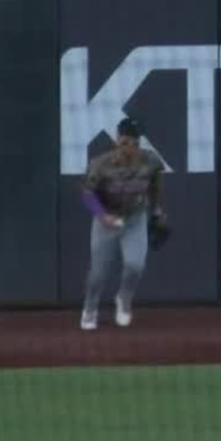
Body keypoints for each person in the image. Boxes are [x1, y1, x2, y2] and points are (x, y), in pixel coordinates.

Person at [78, 118, 166, 330]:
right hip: (106, 220)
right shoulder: (100, 164)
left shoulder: (151, 161)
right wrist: (102, 216)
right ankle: (90, 309)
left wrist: (156, 209)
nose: (130, 147)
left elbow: (155, 184)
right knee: (98, 273)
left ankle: (124, 299)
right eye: (126, 141)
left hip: (135, 219)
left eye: (135, 143)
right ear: (118, 140)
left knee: (135, 265)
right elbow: (87, 194)